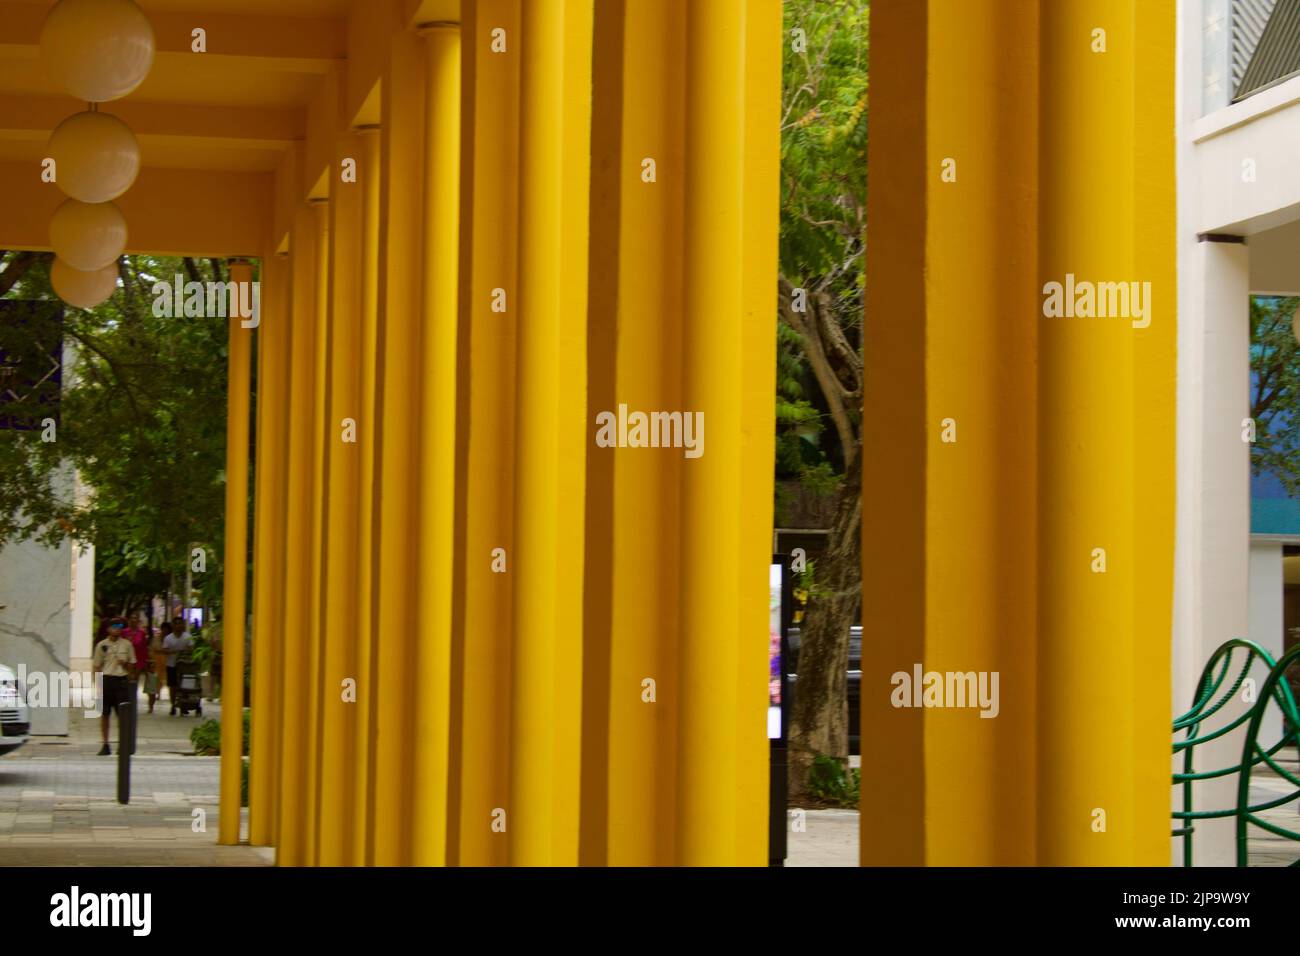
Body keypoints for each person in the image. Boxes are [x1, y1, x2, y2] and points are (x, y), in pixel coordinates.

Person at [91, 617, 136, 756]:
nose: (117, 629)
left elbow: (132, 665)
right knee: (105, 714)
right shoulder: (101, 645)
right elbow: (97, 666)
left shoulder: (127, 645)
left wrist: (125, 664)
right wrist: (97, 686)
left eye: (120, 626)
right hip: (106, 680)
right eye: (114, 626)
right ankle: (105, 744)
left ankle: (122, 744)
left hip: (121, 680)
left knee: (122, 714)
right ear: (108, 629)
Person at [162, 618, 193, 716]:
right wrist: (173, 652)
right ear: (173, 626)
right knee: (173, 687)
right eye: (176, 624)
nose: (179, 626)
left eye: (181, 624)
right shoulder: (168, 638)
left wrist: (186, 652)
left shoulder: (188, 636)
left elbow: (191, 648)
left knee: (185, 686)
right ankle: (173, 705)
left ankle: (184, 705)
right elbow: (165, 650)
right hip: (171, 665)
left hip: (185, 665)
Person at [146, 624, 168, 714]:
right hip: (154, 663)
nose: (165, 632)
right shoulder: (156, 639)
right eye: (164, 629)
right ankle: (151, 705)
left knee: (161, 681)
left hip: (165, 663)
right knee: (152, 685)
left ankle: (158, 694)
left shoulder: (169, 640)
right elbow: (151, 650)